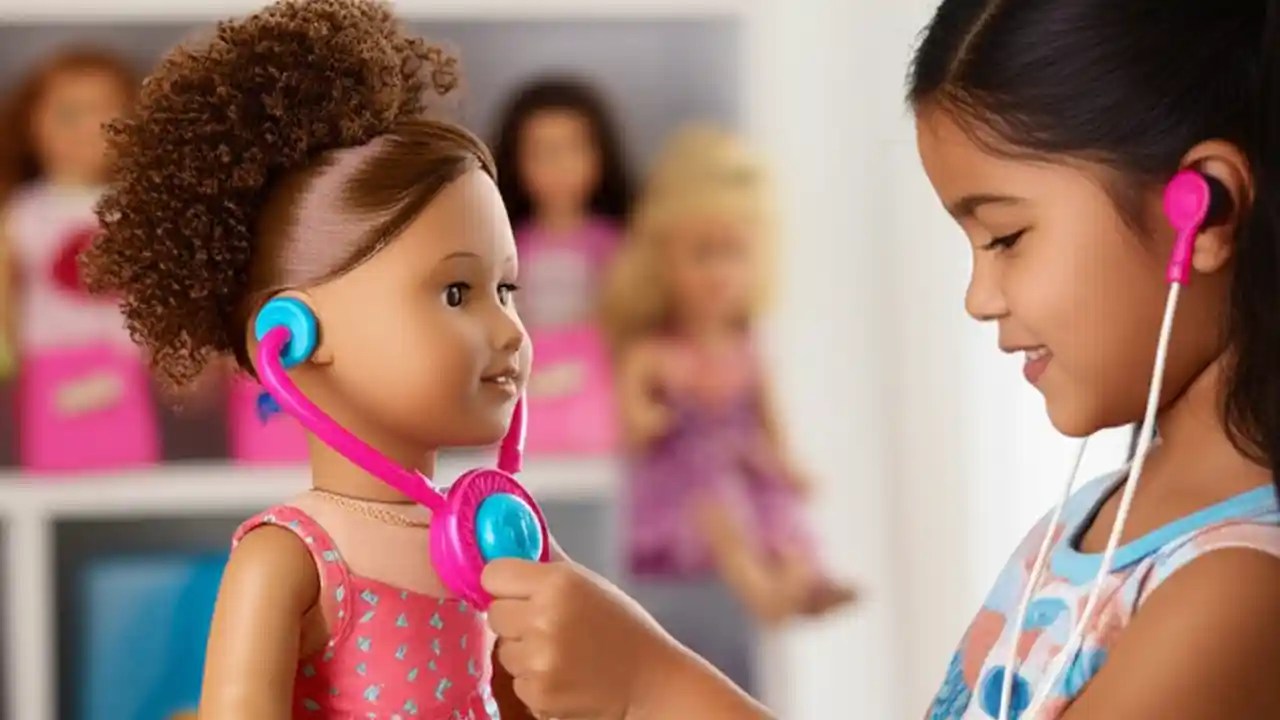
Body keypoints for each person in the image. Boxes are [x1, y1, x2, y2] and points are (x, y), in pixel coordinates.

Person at [484, 1, 1280, 717]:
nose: (980, 296)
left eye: (1006, 236)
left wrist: (654, 688)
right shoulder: (1090, 524)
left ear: (1201, 210)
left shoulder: (1240, 596)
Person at [79, 1, 540, 717]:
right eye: (456, 292)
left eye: (505, 289)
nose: (509, 329)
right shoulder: (290, 560)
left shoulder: (483, 540)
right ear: (294, 334)